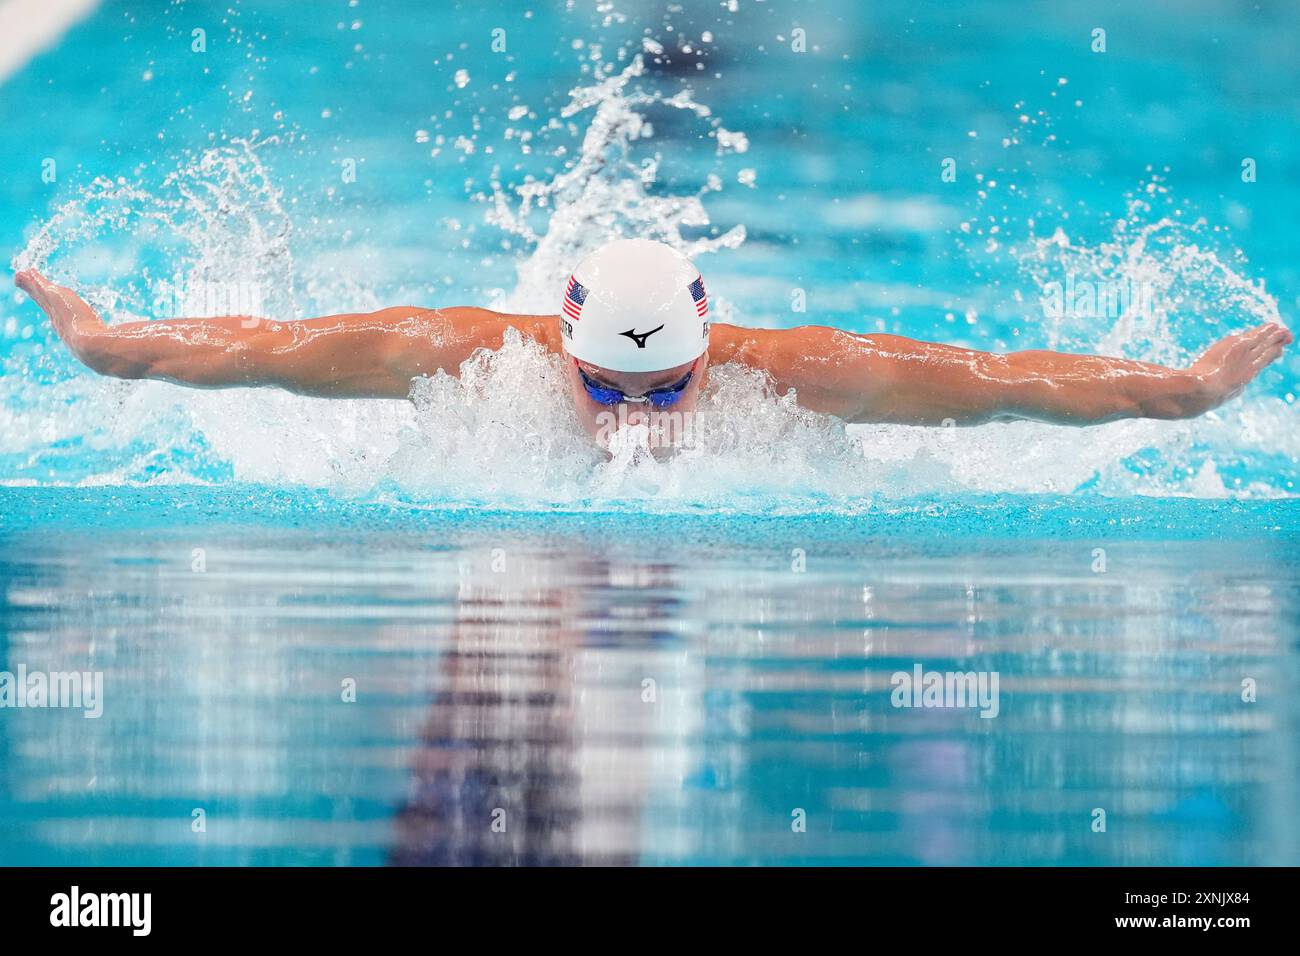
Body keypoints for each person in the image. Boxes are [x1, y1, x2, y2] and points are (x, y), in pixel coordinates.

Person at [14, 238, 1292, 451]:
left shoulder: (794, 370)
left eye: (671, 381)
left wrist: (1176, 393)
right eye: (611, 384)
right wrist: (105, 341)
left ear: (710, 346)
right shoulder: (453, 351)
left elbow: (1008, 383)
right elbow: (255, 345)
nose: (640, 411)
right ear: (561, 345)